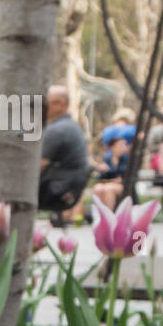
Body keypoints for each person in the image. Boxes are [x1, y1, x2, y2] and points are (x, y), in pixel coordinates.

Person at [38, 85, 93, 226]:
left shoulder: (57, 130)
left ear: (61, 104)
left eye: (45, 103)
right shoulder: (71, 126)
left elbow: (38, 167)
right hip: (71, 187)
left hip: (57, 190)